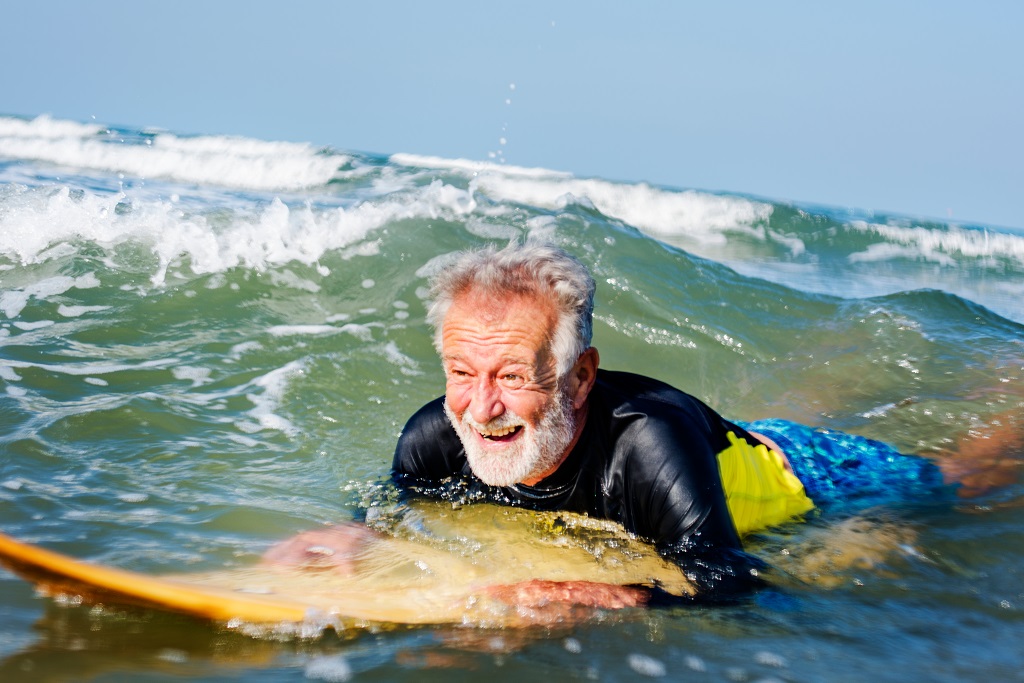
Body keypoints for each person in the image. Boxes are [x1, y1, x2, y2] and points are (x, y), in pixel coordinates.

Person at [266, 242, 985, 606]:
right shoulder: (436, 433)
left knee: (963, 481)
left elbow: (733, 583)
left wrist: (617, 596)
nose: (479, 409)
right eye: (462, 372)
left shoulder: (646, 448)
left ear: (580, 377)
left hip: (809, 474)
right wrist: (359, 529)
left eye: (512, 377)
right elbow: (397, 503)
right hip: (714, 448)